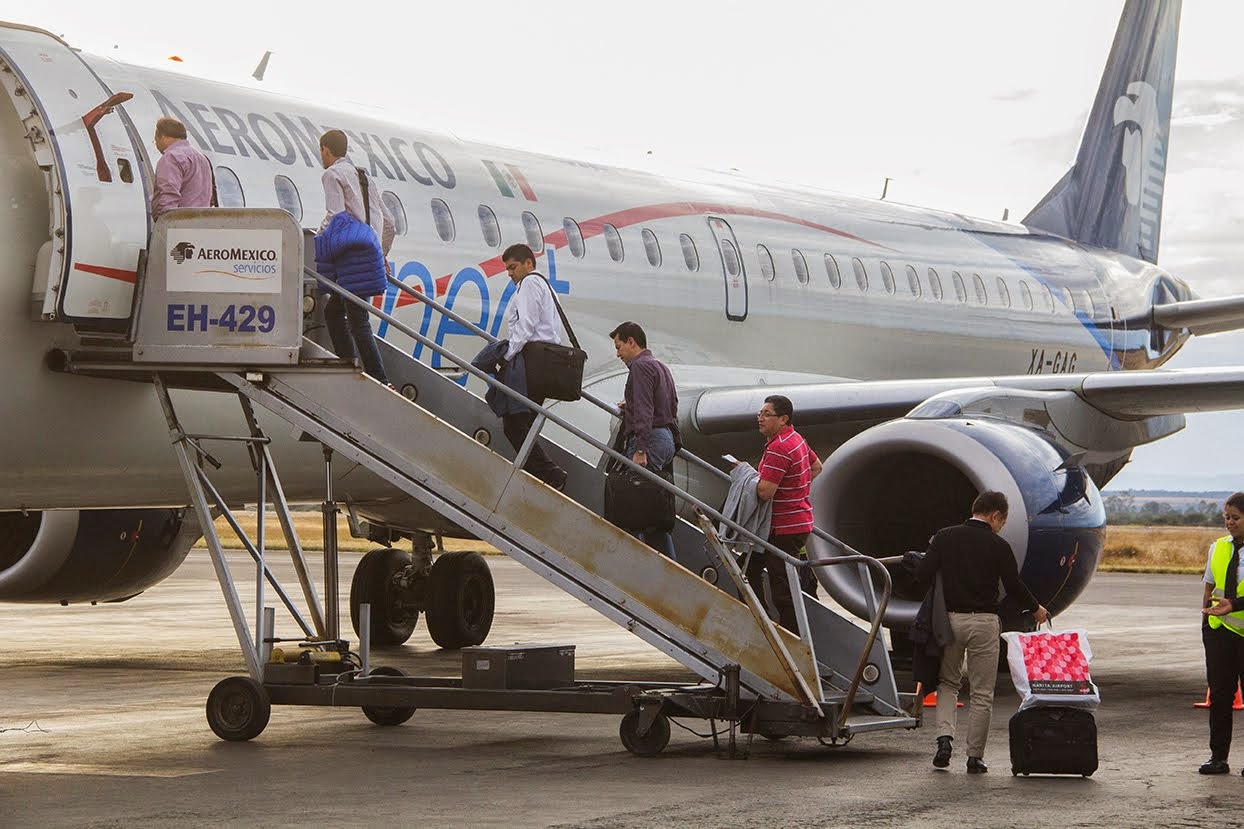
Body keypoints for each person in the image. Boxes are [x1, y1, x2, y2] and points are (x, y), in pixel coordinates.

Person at [916, 491, 1049, 774]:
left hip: (949, 622)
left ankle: (944, 740)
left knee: (947, 683)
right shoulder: (998, 545)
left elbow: (923, 574)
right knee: (981, 693)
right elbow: (1013, 586)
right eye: (1002, 521)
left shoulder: (943, 537)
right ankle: (975, 757)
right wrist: (1036, 608)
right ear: (995, 516)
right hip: (984, 623)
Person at [316, 129, 395, 386]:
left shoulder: (332, 174)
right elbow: (389, 223)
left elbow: (335, 216)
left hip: (352, 258)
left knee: (357, 320)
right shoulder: (363, 177)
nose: (321, 156)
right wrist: (379, 254)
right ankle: (350, 362)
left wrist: (314, 240)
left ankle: (379, 377)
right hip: (369, 254)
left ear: (326, 149)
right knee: (336, 310)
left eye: (321, 152)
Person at [744, 395, 822, 634]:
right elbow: (817, 466)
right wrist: (796, 489)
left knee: (780, 588)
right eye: (760, 413)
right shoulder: (796, 439)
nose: (760, 418)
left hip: (782, 527)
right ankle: (767, 625)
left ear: (783, 419)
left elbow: (765, 492)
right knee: (750, 570)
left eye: (767, 414)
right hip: (797, 522)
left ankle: (790, 637)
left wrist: (743, 477)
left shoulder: (779, 447)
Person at [498, 243, 567, 490]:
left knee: (514, 422)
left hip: (533, 361)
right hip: (545, 361)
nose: (510, 273)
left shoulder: (529, 283)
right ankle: (541, 475)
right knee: (523, 423)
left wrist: (507, 355)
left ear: (529, 263)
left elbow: (526, 326)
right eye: (507, 269)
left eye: (513, 267)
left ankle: (550, 474)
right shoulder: (545, 286)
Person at [609, 321, 678, 560]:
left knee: (635, 508)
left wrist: (640, 448)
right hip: (665, 437)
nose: (617, 353)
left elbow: (646, 411)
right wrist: (631, 406)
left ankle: (641, 566)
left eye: (619, 347)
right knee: (651, 513)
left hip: (650, 441)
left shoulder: (639, 367)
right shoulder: (659, 366)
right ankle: (668, 565)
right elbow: (670, 405)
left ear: (631, 342)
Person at [1198, 492, 1244, 774]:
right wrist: (1205, 624)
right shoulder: (1218, 548)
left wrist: (1235, 605)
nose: (1229, 523)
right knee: (1220, 696)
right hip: (1219, 633)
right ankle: (1219, 758)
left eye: (1235, 518)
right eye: (1226, 517)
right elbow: (1208, 586)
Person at [151, 117, 213, 219]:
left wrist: (166, 222)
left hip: (179, 224)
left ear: (162, 136)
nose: (156, 144)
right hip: (201, 223)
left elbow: (168, 195)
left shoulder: (171, 157)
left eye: (155, 140)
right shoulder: (202, 158)